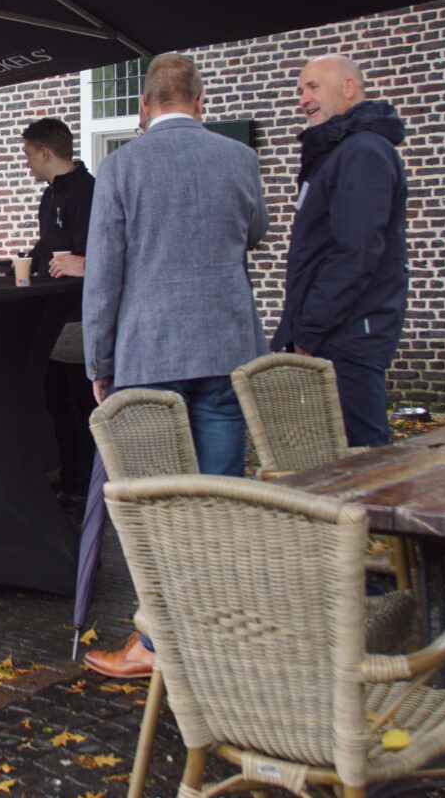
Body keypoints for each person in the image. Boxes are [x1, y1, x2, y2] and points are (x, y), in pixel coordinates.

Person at [80, 52, 269, 679]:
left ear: (144, 106)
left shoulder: (122, 166)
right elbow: (257, 233)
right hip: (227, 350)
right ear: (200, 99)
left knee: (155, 506)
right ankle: (213, 634)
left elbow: (103, 275)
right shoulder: (239, 159)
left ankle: (157, 645)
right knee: (218, 499)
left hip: (149, 354)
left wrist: (98, 362)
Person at [270, 54, 409, 448]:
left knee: (362, 459)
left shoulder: (362, 152)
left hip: (349, 334)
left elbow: (356, 252)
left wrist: (310, 328)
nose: (303, 99)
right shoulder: (336, 151)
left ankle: (374, 512)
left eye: (313, 87)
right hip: (334, 331)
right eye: (300, 90)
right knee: (334, 454)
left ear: (349, 88)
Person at [20, 117, 96, 504]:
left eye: (29, 155)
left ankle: (87, 487)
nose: (28, 164)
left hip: (81, 318)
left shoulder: (89, 192)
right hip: (54, 317)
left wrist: (81, 261)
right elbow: (50, 245)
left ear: (45, 152)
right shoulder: (49, 196)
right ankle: (71, 481)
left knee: (82, 407)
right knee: (57, 406)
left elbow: (103, 252)